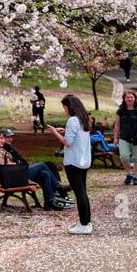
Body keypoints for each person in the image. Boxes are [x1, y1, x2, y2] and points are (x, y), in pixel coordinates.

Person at [45, 95, 94, 234]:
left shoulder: (72, 120)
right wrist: (64, 131)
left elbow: (67, 142)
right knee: (83, 192)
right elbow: (77, 136)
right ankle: (86, 222)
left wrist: (54, 132)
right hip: (84, 161)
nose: (64, 110)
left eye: (64, 107)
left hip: (73, 161)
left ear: (70, 106)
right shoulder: (84, 119)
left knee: (79, 193)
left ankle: (84, 224)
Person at [0, 128, 67, 210]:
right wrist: (18, 165)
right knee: (42, 165)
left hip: (15, 174)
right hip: (12, 177)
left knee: (44, 174)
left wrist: (19, 165)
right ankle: (58, 187)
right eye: (1, 138)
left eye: (3, 138)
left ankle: (49, 202)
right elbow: (3, 167)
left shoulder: (0, 150)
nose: (3, 140)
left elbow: (6, 165)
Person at [113, 90, 137, 186]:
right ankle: (129, 174)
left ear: (135, 98)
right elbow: (117, 125)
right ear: (124, 99)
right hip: (124, 137)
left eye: (131, 97)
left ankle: (136, 177)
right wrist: (115, 138)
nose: (129, 99)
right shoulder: (120, 111)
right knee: (124, 156)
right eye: (127, 97)